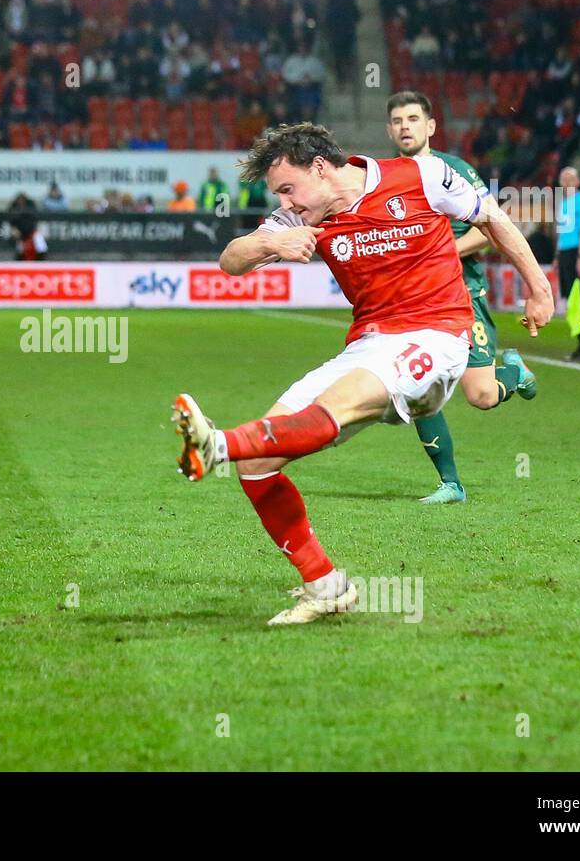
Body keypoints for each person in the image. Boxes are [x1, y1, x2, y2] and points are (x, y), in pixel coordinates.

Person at [171, 122, 552, 625]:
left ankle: (215, 445)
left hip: (436, 338)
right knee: (258, 465)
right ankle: (325, 586)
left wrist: (539, 288)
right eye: (278, 194)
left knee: (328, 409)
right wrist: (272, 246)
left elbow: (495, 220)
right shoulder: (296, 217)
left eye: (288, 187)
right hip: (369, 343)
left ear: (321, 168)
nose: (285, 200)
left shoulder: (423, 175)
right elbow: (230, 260)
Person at [385, 91, 538, 505]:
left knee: (482, 396)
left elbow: (489, 228)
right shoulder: (385, 179)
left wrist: (443, 250)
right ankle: (450, 484)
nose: (405, 126)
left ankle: (516, 374)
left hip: (461, 293)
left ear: (430, 126)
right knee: (416, 387)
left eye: (413, 119)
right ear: (389, 129)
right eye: (398, 120)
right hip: (413, 302)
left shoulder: (453, 171)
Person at [555, 165, 580, 361]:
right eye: (564, 179)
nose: (567, 182)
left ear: (577, 182)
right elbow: (561, 232)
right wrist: (557, 255)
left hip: (576, 252)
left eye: (571, 179)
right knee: (572, 299)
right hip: (565, 254)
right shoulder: (563, 203)